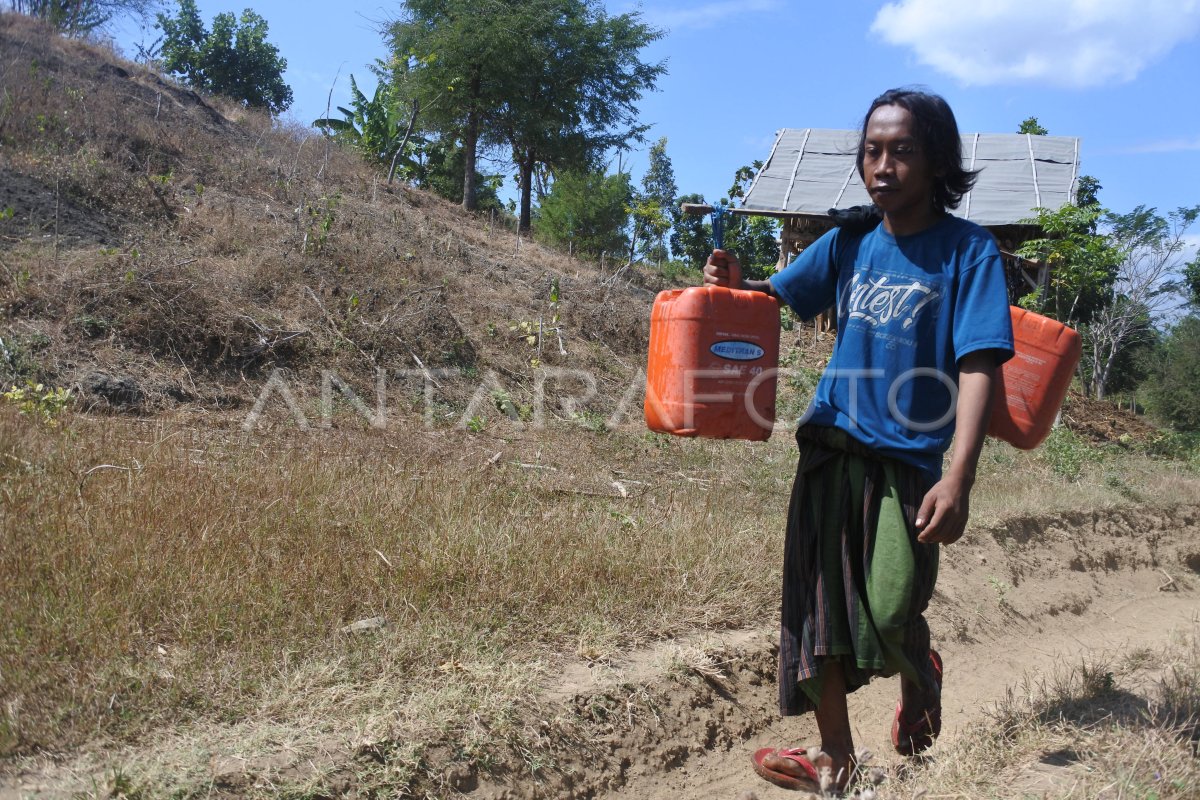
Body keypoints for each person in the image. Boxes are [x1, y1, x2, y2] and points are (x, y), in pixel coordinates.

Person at [703, 88, 1014, 793]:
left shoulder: (968, 252)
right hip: (829, 448)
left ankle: (920, 674)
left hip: (907, 463)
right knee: (816, 612)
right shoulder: (848, 240)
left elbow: (979, 364)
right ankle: (834, 757)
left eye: (901, 151)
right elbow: (774, 296)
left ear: (937, 160)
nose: (882, 166)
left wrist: (958, 477)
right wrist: (736, 284)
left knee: (893, 604)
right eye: (872, 152)